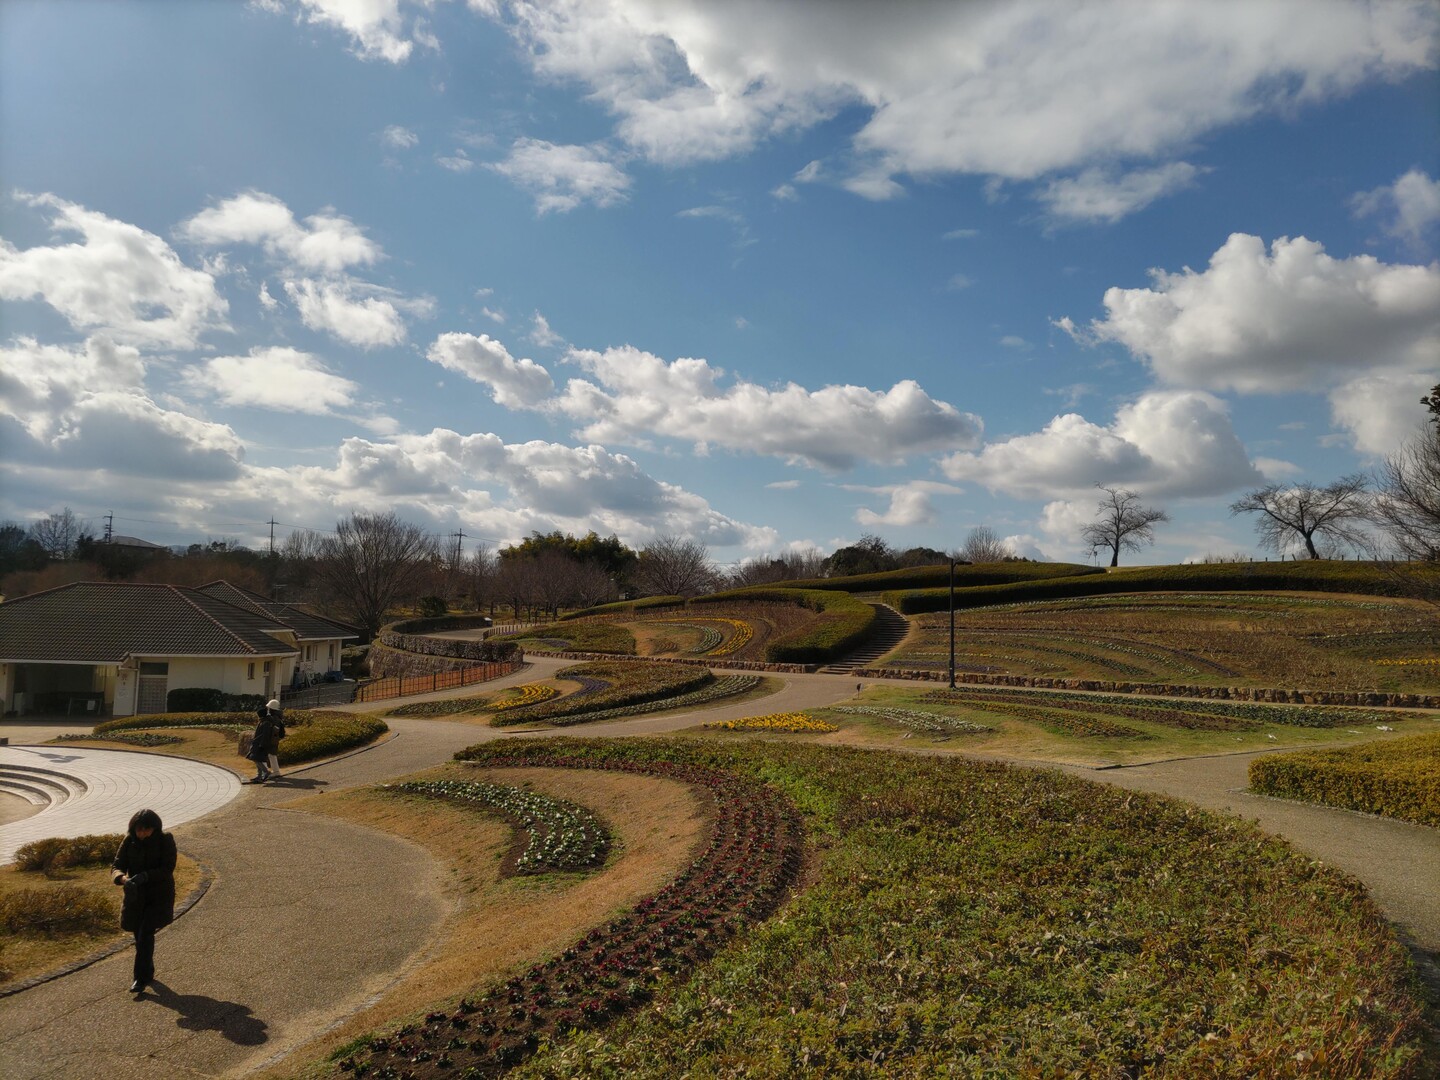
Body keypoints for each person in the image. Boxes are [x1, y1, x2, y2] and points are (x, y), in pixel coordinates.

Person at [111, 808, 177, 995]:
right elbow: (117, 866)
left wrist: (146, 876)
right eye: (139, 830)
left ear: (155, 828)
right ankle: (147, 971)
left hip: (159, 895)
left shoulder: (166, 840)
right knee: (138, 935)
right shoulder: (129, 841)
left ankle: (139, 979)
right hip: (135, 896)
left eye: (147, 830)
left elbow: (167, 868)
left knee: (145, 933)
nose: (142, 834)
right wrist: (124, 879)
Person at [246, 706, 276, 783]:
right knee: (256, 759)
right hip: (257, 743)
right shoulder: (263, 721)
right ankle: (259, 775)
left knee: (255, 758)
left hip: (260, 744)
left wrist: (262, 745)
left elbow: (266, 735)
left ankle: (266, 772)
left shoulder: (266, 723)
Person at [264, 697, 285, 780]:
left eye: (269, 708)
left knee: (272, 755)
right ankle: (275, 771)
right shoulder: (278, 716)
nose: (268, 709)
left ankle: (276, 772)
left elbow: (273, 728)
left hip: (273, 739)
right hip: (275, 738)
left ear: (272, 709)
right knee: (272, 754)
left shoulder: (274, 718)